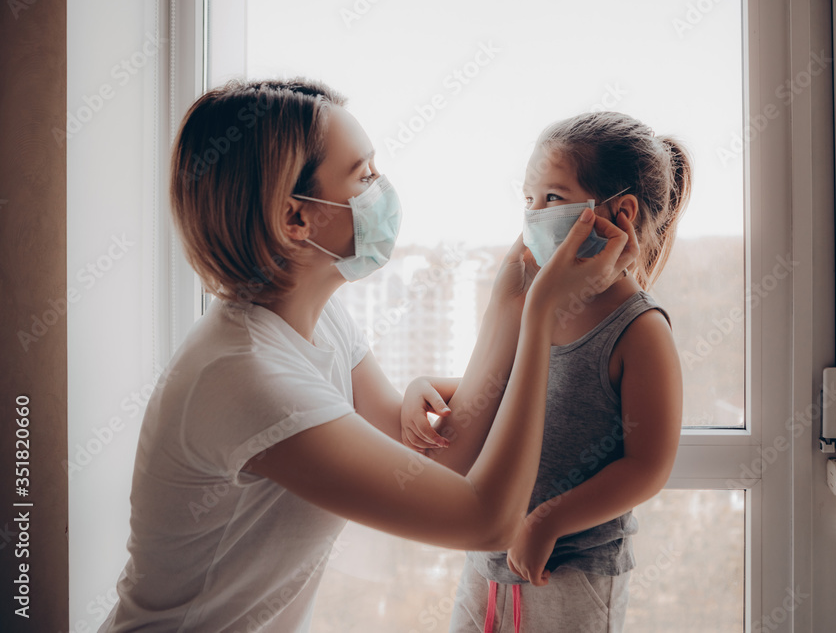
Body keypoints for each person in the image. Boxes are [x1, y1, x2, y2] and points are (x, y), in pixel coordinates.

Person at [97, 79, 638, 632]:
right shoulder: (245, 376)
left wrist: (508, 305)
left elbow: (437, 462)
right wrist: (539, 316)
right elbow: (486, 521)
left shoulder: (319, 322)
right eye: (363, 175)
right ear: (295, 219)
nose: (382, 188)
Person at [401, 111, 690, 633]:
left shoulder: (640, 329)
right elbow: (513, 391)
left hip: (571, 571)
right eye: (528, 201)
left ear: (621, 213)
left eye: (553, 199)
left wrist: (548, 521)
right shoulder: (533, 305)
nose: (534, 216)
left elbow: (648, 466)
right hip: (487, 557)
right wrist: (431, 389)